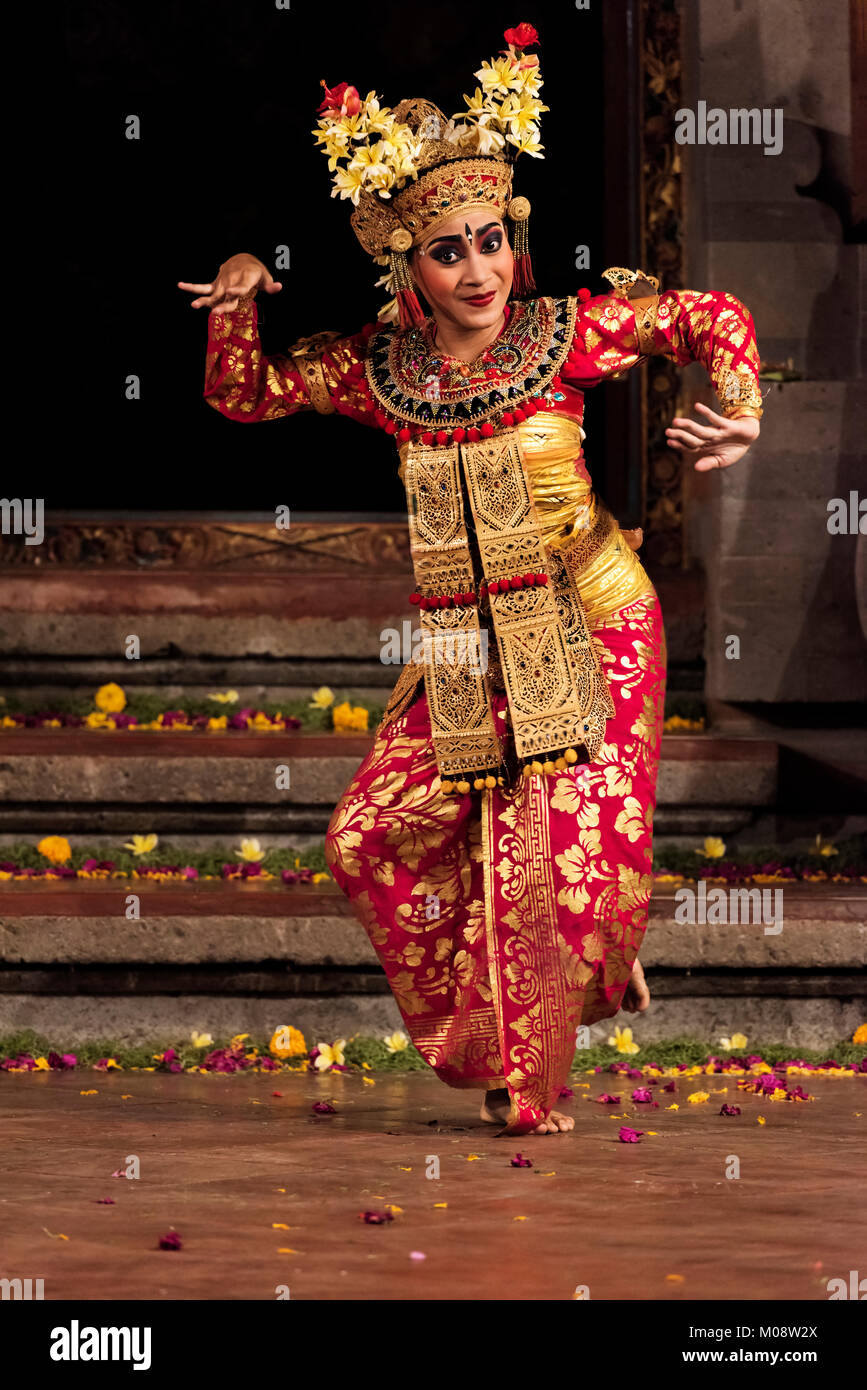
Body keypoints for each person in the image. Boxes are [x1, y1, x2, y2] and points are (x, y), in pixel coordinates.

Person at [179, 22, 762, 1137]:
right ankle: (553, 989)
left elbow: (708, 317)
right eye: (450, 252)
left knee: (539, 857)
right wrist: (245, 295)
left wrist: (740, 409)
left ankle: (531, 1066)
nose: (480, 269)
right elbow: (247, 398)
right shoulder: (382, 371)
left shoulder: (561, 334)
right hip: (460, 647)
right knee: (363, 839)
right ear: (410, 266)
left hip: (589, 625)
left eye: (491, 240)